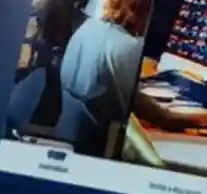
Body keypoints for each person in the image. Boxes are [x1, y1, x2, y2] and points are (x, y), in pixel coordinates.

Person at [59, 0, 152, 153]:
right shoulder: (128, 47)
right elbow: (142, 107)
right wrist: (201, 119)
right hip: (97, 147)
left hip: (67, 133)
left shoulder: (87, 27)